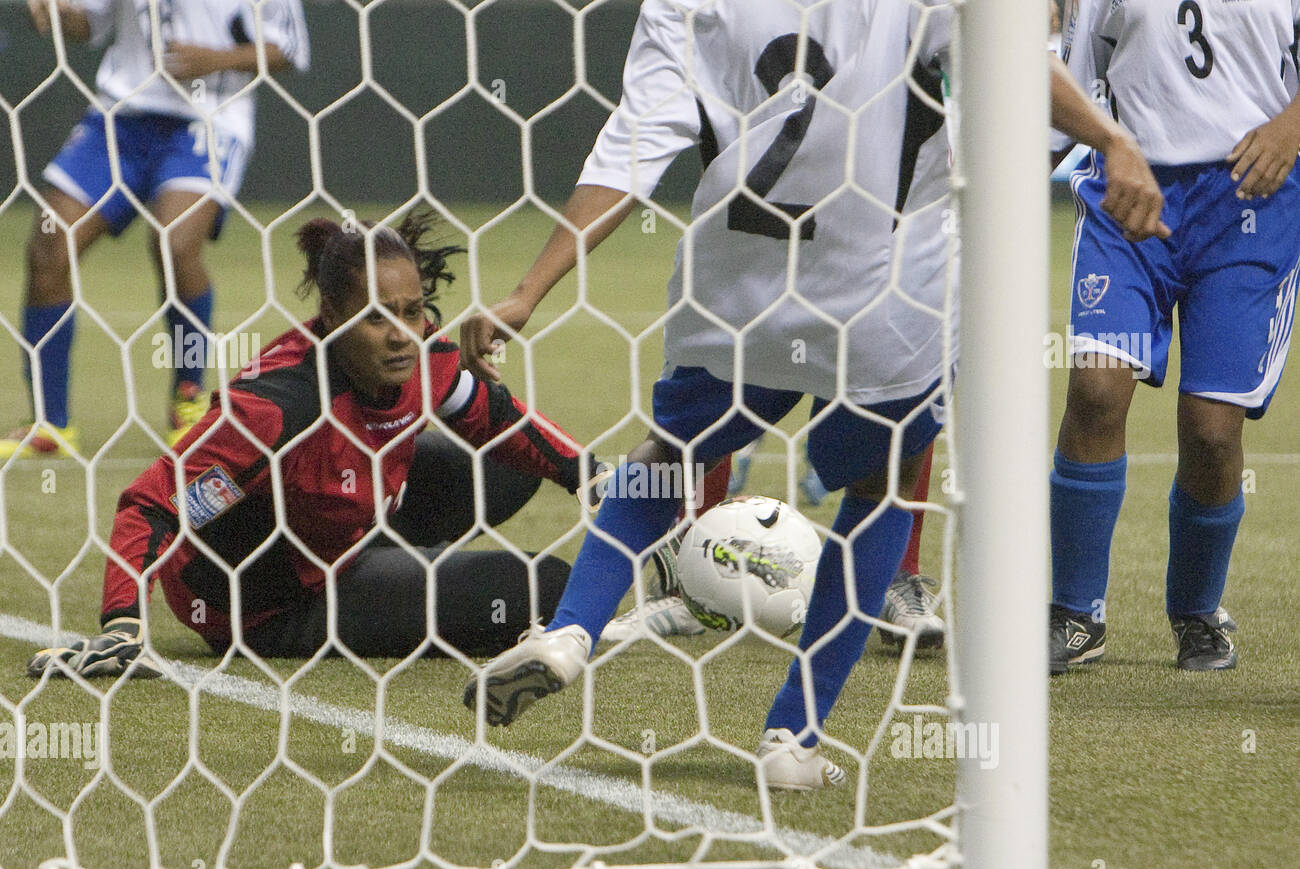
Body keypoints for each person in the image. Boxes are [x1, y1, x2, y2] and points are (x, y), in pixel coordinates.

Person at [461, 0, 1167, 791]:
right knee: (882, 486)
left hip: (737, 289)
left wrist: (528, 291)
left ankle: (570, 630)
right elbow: (1009, 67)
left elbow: (633, 144)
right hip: (881, 294)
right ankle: (792, 738)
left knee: (674, 453)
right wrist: (1111, 139)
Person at [28, 210, 590, 677]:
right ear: (333, 315)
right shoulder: (275, 409)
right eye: (375, 317)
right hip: (271, 600)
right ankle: (386, 582)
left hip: (338, 523)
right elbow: (152, 505)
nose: (401, 335)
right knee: (545, 589)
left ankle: (394, 568)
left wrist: (597, 480)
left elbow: (500, 421)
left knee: (512, 466)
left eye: (412, 312)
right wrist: (124, 624)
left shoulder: (425, 357)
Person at [1048, 0, 1300, 673]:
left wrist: (1290, 126)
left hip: (1255, 201)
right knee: (1097, 388)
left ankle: (1196, 611)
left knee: (1213, 430)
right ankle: (1074, 613)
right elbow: (1061, 79)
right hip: (1131, 190)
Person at [2, 0, 310, 460]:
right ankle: (50, 423)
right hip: (120, 116)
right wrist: (54, 13)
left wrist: (216, 60)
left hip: (210, 118)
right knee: (50, 244)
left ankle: (187, 399)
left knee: (174, 242)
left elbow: (291, 47)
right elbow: (90, 22)